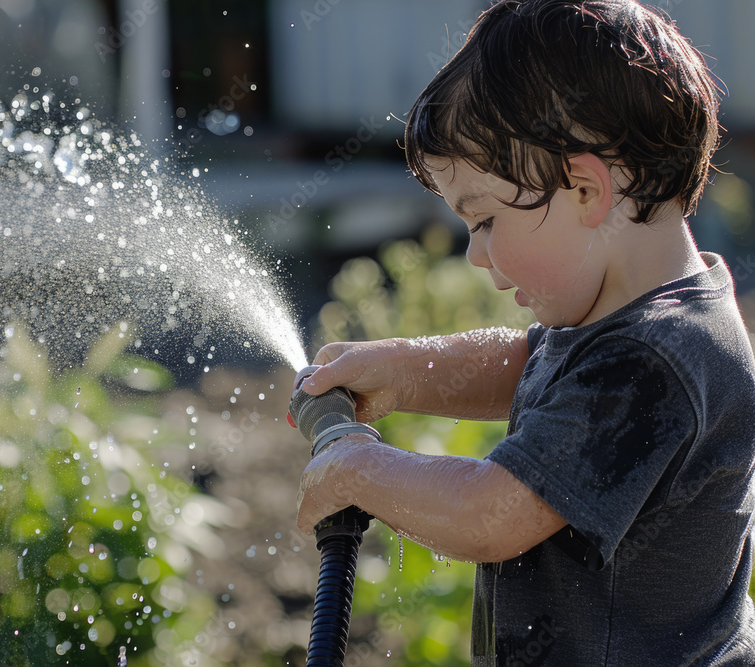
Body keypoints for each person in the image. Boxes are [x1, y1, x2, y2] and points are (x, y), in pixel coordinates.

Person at [287, 0, 755, 664]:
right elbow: (527, 364)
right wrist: (396, 368)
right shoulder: (644, 314)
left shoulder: (655, 358)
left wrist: (362, 470)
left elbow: (492, 514)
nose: (476, 254)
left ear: (585, 190)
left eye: (483, 220)